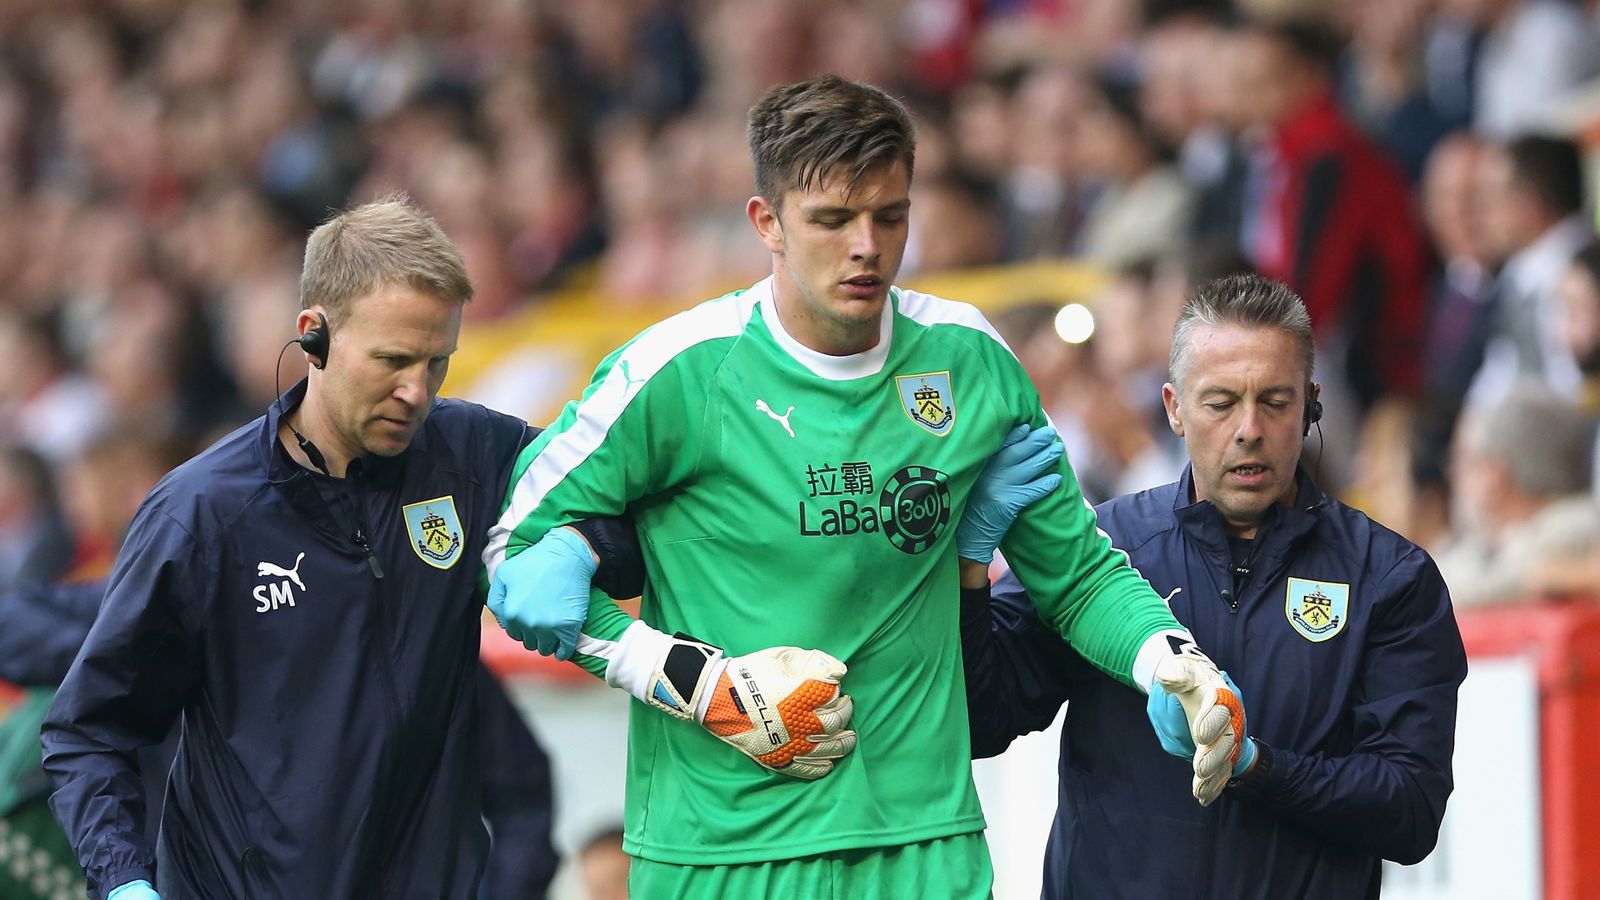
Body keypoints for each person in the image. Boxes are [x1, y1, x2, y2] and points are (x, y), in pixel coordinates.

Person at [483, 74, 1248, 898]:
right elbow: (512, 555)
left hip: (925, 847)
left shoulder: (968, 359)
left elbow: (1079, 573)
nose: (867, 246)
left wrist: (1171, 661)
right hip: (722, 853)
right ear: (766, 222)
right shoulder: (674, 372)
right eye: (833, 220)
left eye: (890, 215)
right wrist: (702, 686)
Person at [38, 195, 650, 900]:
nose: (416, 391)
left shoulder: (476, 454)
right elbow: (90, 732)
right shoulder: (203, 515)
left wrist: (579, 545)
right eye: (392, 360)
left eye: (437, 362)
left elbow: (632, 528)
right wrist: (124, 883)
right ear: (314, 335)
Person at [960, 273, 1469, 899]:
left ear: (1312, 404)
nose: (1248, 428)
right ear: (1174, 408)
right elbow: (980, 721)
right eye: (1220, 402)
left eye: (1275, 402)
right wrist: (968, 572)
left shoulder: (1388, 579)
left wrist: (1255, 766)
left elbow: (1411, 812)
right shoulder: (1098, 556)